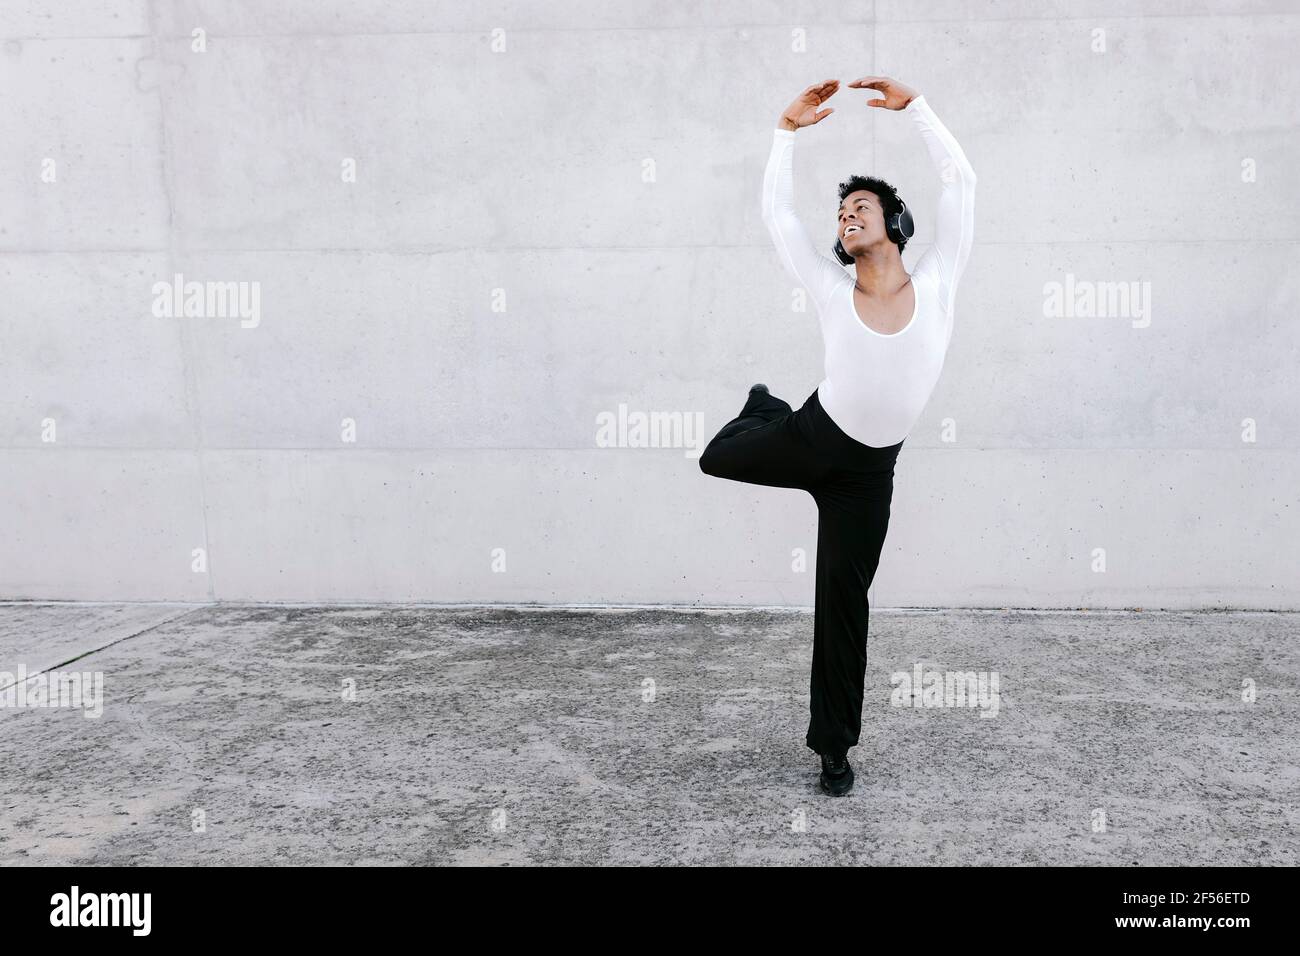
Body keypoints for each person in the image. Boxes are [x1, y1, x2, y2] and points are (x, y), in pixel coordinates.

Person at [698, 76, 976, 796]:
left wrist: (917, 109)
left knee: (844, 606)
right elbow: (776, 215)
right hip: (812, 437)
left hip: (867, 476)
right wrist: (785, 130)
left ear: (896, 223)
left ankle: (833, 749)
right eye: (843, 211)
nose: (848, 216)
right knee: (715, 457)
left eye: (862, 207)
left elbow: (962, 181)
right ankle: (764, 407)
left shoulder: (940, 282)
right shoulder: (830, 287)